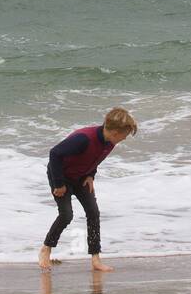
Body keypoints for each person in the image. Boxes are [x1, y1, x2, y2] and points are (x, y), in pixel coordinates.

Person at [38, 107, 138, 272]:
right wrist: (59, 184)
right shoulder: (84, 138)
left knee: (93, 212)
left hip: (82, 177)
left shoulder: (109, 142)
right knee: (66, 214)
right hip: (61, 176)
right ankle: (46, 249)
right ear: (114, 132)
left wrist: (91, 175)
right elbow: (54, 154)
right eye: (124, 135)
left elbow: (95, 157)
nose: (124, 138)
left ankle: (96, 259)